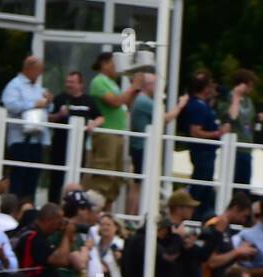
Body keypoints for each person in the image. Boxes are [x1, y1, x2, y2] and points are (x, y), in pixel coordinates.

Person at [128, 72, 188, 216]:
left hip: (141, 146)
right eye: (156, 84)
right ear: (149, 85)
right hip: (142, 147)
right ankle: (132, 215)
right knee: (138, 185)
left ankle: (133, 214)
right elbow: (165, 118)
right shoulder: (145, 102)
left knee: (139, 184)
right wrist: (180, 106)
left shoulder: (141, 100)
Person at [87, 52, 141, 206]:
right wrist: (133, 87)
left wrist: (134, 90)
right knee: (104, 174)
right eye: (114, 63)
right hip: (106, 133)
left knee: (115, 177)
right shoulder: (98, 82)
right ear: (104, 64)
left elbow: (125, 104)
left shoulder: (112, 83)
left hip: (116, 134)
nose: (117, 67)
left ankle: (106, 211)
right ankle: (95, 210)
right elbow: (115, 102)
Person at [178, 70, 229, 219]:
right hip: (203, 153)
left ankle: (198, 218)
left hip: (206, 153)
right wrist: (217, 134)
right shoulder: (198, 106)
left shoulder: (201, 105)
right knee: (200, 188)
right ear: (205, 88)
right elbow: (195, 131)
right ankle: (192, 218)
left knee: (204, 188)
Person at [2, 56, 52, 204]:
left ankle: (28, 210)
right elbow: (11, 105)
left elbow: (46, 109)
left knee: (33, 178)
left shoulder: (38, 87)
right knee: (19, 177)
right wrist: (34, 103)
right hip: (20, 139)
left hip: (37, 139)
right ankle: (14, 210)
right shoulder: (14, 85)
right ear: (29, 68)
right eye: (38, 70)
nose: (40, 74)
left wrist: (48, 102)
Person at [47, 71, 102, 203]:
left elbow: (100, 117)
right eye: (67, 82)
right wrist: (59, 115)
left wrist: (93, 124)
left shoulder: (88, 101)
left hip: (80, 147)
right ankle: (54, 205)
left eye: (72, 82)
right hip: (59, 146)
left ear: (80, 84)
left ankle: (73, 206)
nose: (69, 85)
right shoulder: (60, 98)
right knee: (56, 179)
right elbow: (49, 119)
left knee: (78, 177)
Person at [9, 203, 68, 277]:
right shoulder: (33, 238)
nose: (60, 226)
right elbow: (60, 260)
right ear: (49, 219)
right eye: (59, 221)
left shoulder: (38, 236)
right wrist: (67, 235)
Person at [198, 191, 255, 277]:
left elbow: (223, 257)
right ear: (236, 208)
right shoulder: (215, 225)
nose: (244, 220)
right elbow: (211, 262)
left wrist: (239, 255)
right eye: (244, 216)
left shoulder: (226, 228)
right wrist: (237, 252)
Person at [219, 69, 262, 187]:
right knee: (232, 184)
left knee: (244, 186)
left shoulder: (248, 101)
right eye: (249, 86)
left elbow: (249, 121)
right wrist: (236, 96)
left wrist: (257, 118)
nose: (251, 89)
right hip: (235, 149)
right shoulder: (228, 98)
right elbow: (232, 116)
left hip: (247, 147)